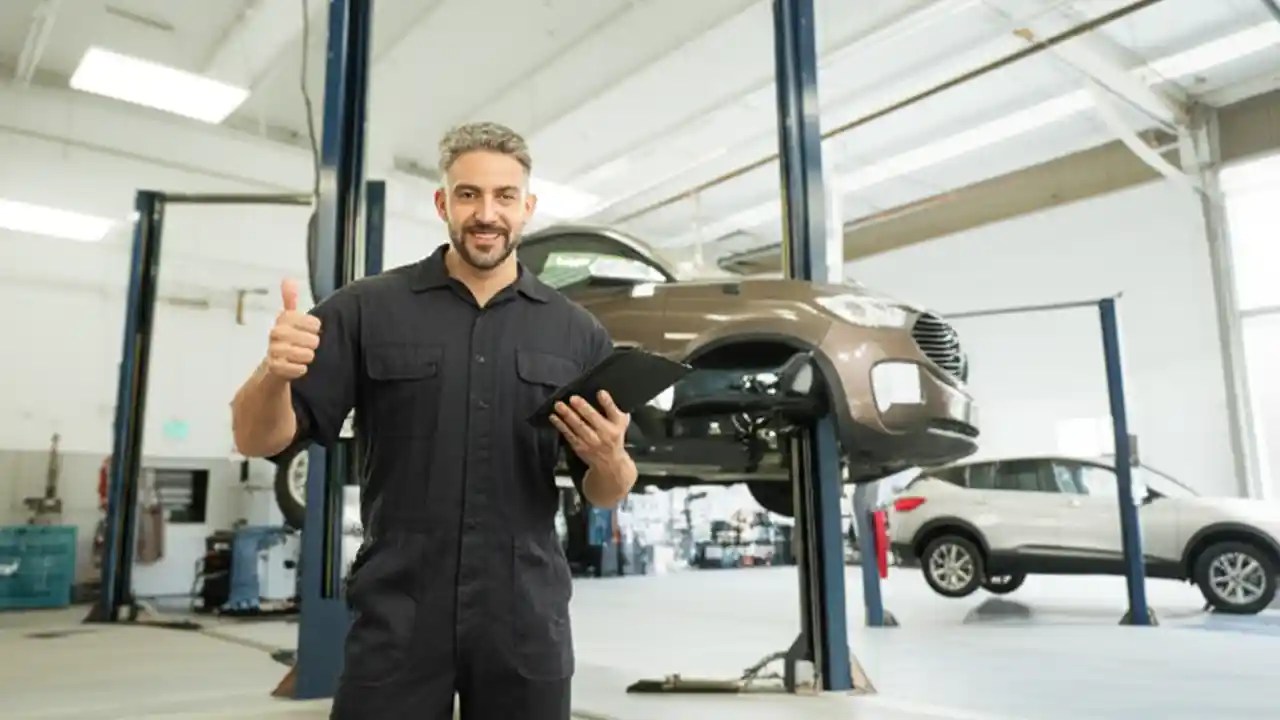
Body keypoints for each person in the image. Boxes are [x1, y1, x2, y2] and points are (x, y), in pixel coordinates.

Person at [229, 121, 638, 719]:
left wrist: (611, 460)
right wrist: (273, 373)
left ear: (527, 208)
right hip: (398, 611)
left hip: (523, 615)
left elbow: (605, 492)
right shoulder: (366, 309)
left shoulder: (576, 333)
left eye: (504, 196)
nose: (486, 214)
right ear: (443, 203)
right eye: (469, 194)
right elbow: (254, 438)